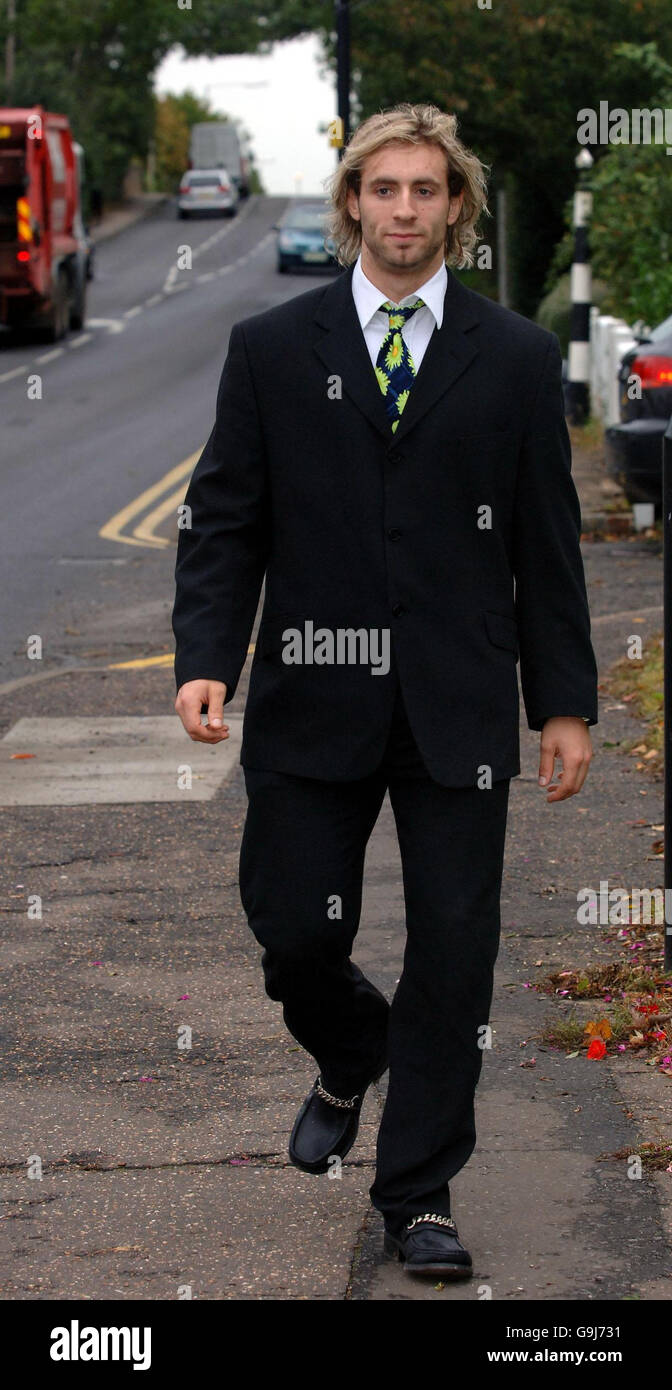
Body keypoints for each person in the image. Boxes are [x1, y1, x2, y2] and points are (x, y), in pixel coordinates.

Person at [172, 103, 598, 1279]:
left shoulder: (513, 357)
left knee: (456, 955)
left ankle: (418, 1193)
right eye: (384, 188)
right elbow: (225, 520)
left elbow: (545, 542)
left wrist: (564, 700)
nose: (404, 210)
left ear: (455, 207)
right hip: (314, 690)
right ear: (352, 199)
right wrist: (206, 652)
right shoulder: (271, 348)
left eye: (427, 191)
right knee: (293, 930)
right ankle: (353, 1045)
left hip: (460, 699)